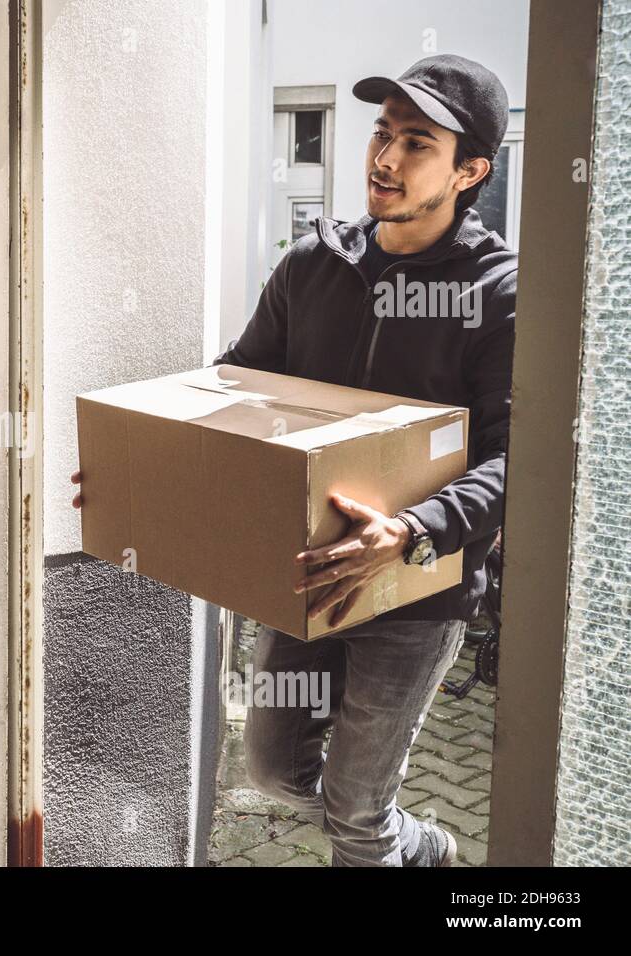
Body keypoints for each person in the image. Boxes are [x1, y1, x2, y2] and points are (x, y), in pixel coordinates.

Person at [71, 54, 517, 866]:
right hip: (296, 574)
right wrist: (142, 468)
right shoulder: (314, 266)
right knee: (275, 773)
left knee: (354, 815)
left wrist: (413, 529)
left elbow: (510, 458)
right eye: (381, 133)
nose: (384, 159)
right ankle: (419, 846)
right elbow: (231, 391)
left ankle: (378, 833)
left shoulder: (499, 293)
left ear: (470, 171)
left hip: (416, 593)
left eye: (416, 143)